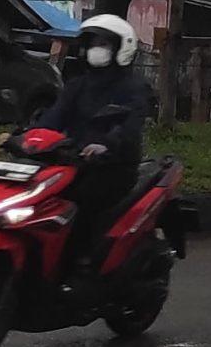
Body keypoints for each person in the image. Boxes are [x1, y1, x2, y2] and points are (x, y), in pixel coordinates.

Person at [23, 14, 153, 274]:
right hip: (72, 162)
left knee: (80, 202)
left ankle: (84, 261)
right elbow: (54, 118)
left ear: (121, 48)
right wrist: (25, 137)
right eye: (93, 43)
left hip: (112, 167)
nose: (97, 49)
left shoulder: (133, 88)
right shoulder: (77, 86)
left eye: (104, 43)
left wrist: (105, 145)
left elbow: (129, 126)